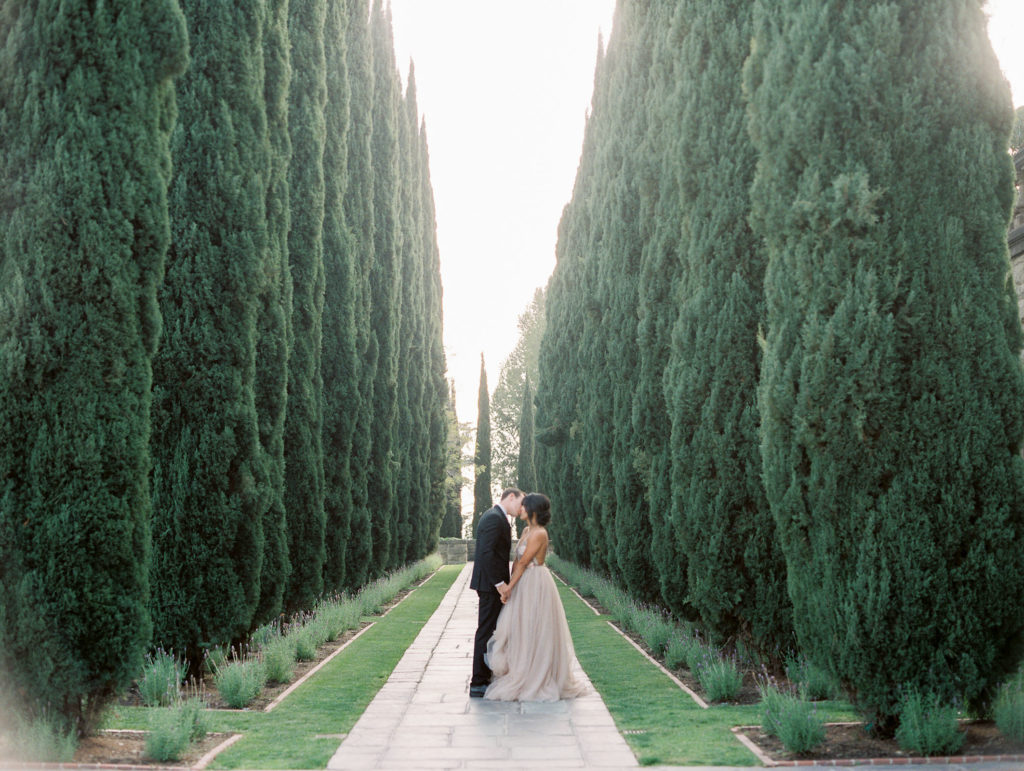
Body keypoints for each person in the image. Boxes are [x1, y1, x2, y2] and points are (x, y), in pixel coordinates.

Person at [484, 492, 586, 702]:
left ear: (532, 510)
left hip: (535, 582)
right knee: (520, 627)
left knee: (535, 627)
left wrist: (509, 587)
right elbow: (517, 560)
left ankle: (536, 674)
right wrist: (512, 583)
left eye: (524, 506)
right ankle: (522, 669)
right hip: (523, 582)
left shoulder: (540, 533)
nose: (520, 509)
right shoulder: (527, 530)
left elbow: (524, 562)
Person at [469, 488, 524, 697]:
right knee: (485, 631)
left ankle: (486, 675)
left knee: (491, 630)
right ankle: (478, 681)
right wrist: (500, 584)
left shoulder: (498, 517)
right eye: (520, 504)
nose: (521, 510)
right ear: (511, 497)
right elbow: (486, 553)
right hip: (489, 586)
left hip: (490, 585)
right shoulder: (494, 518)